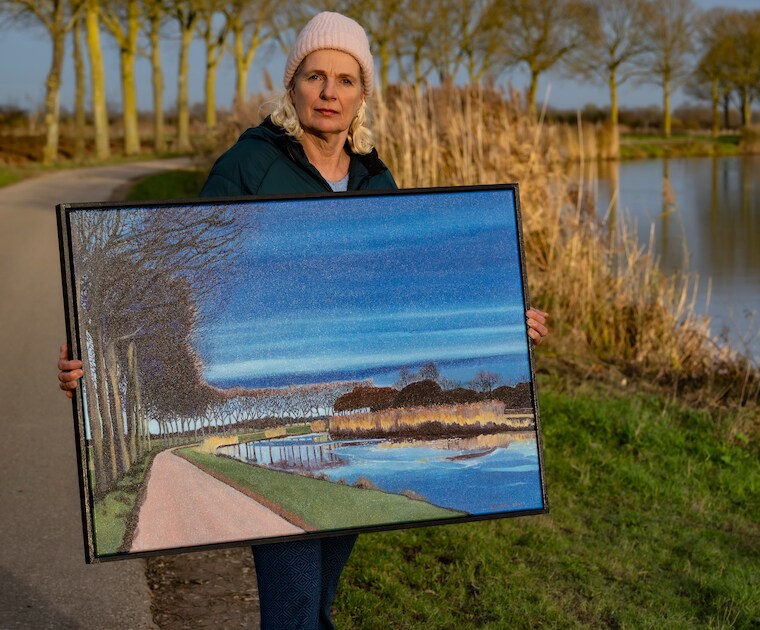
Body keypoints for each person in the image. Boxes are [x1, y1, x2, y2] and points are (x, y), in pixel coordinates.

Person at [56, 11, 549, 629]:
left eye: (345, 80)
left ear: (363, 94)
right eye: (315, 76)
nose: (329, 92)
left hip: (346, 367)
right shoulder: (249, 165)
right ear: (292, 86)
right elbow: (178, 273)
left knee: (315, 605)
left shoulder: (376, 180)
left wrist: (502, 316)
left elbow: (394, 290)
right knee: (291, 611)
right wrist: (93, 352)